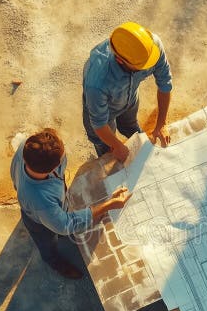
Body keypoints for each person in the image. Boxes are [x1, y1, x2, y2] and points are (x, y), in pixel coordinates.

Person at [11, 128, 132, 279]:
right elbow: (66, 225)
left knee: (56, 216)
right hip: (38, 220)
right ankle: (54, 262)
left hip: (43, 204)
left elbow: (14, 173)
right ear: (52, 170)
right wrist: (109, 204)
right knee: (47, 242)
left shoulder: (27, 147)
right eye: (63, 158)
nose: (65, 157)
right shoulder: (42, 202)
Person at [83, 21, 173, 162]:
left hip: (130, 100)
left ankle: (130, 133)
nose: (147, 66)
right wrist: (117, 145)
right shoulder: (97, 82)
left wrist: (161, 123)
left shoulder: (151, 48)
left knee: (130, 125)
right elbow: (99, 123)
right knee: (107, 150)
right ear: (120, 60)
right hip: (104, 114)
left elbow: (165, 84)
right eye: (141, 66)